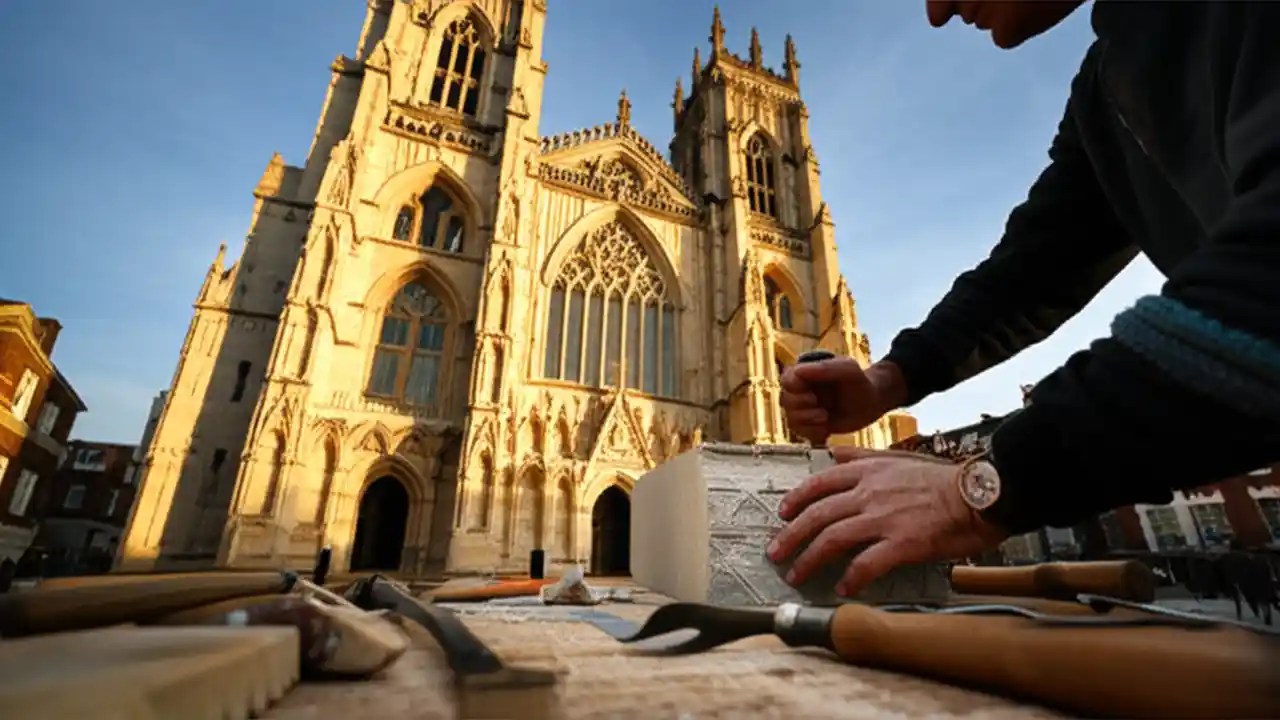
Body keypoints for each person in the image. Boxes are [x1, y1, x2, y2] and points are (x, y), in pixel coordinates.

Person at [768, 0, 1280, 599]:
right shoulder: (1106, 87)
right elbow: (1031, 271)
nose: (936, 12)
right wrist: (888, 380)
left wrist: (986, 486)